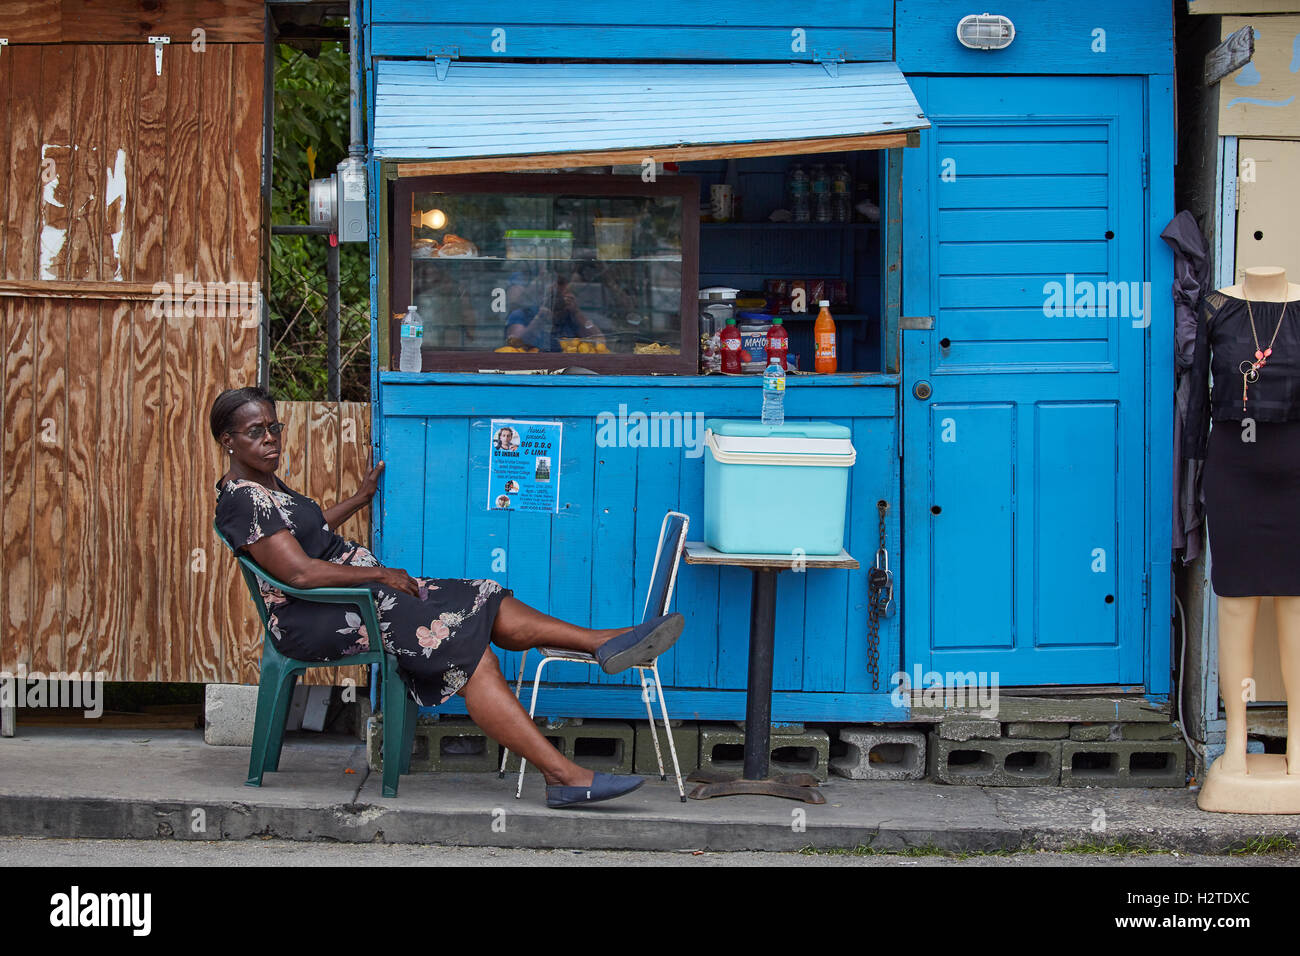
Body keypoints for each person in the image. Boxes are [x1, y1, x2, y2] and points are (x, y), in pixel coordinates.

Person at [211, 386, 684, 808]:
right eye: (256, 432)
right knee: (471, 657)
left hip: (358, 598)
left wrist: (358, 500)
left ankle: (601, 643)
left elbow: (307, 532)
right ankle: (563, 773)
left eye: (274, 427)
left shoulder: (265, 485)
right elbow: (297, 571)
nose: (270, 439)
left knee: (481, 595)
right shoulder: (242, 499)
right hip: (323, 615)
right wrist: (379, 573)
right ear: (228, 441)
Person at [504, 270, 605, 352]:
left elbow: (600, 342)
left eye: (559, 295)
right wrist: (539, 318)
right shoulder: (523, 314)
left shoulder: (572, 315)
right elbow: (515, 345)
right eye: (551, 296)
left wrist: (576, 313)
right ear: (540, 295)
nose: (555, 301)